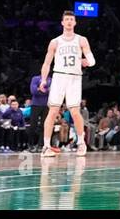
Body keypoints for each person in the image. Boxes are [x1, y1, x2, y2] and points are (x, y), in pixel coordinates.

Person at [39, 10, 96, 157]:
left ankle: (81, 143)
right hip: (58, 77)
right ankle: (46, 146)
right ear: (62, 22)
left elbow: (92, 60)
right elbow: (46, 64)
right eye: (67, 19)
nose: (69, 21)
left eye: (72, 19)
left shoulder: (81, 40)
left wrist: (87, 62)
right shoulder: (55, 42)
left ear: (75, 22)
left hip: (74, 78)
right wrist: (44, 79)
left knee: (75, 112)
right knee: (52, 111)